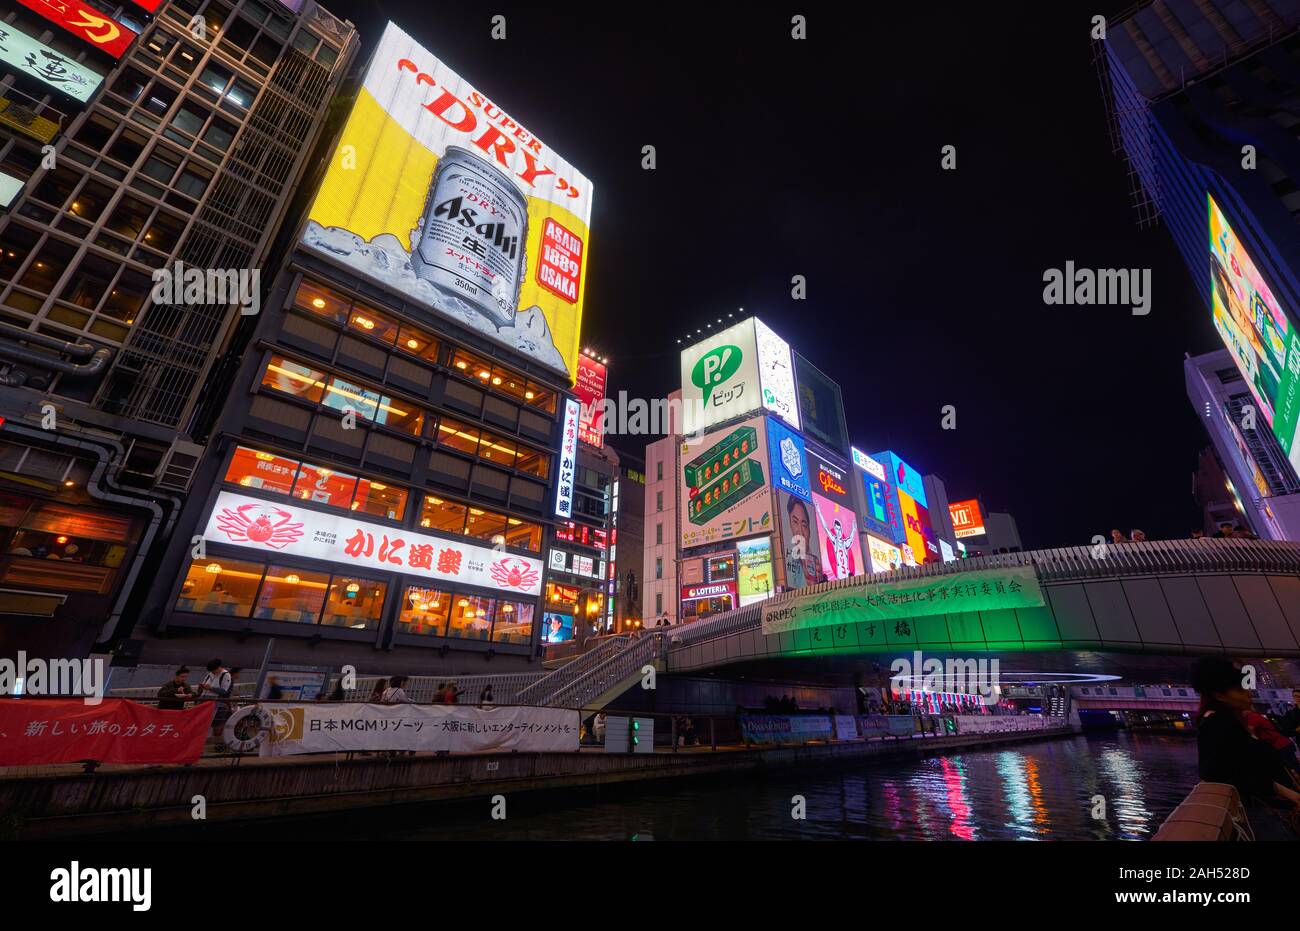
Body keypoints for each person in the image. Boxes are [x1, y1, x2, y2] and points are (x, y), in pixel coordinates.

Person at [1190, 657, 1300, 830]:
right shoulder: (1220, 724)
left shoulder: (1223, 722)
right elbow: (1226, 772)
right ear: (1220, 695)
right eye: (1241, 689)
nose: (1249, 694)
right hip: (1258, 811)